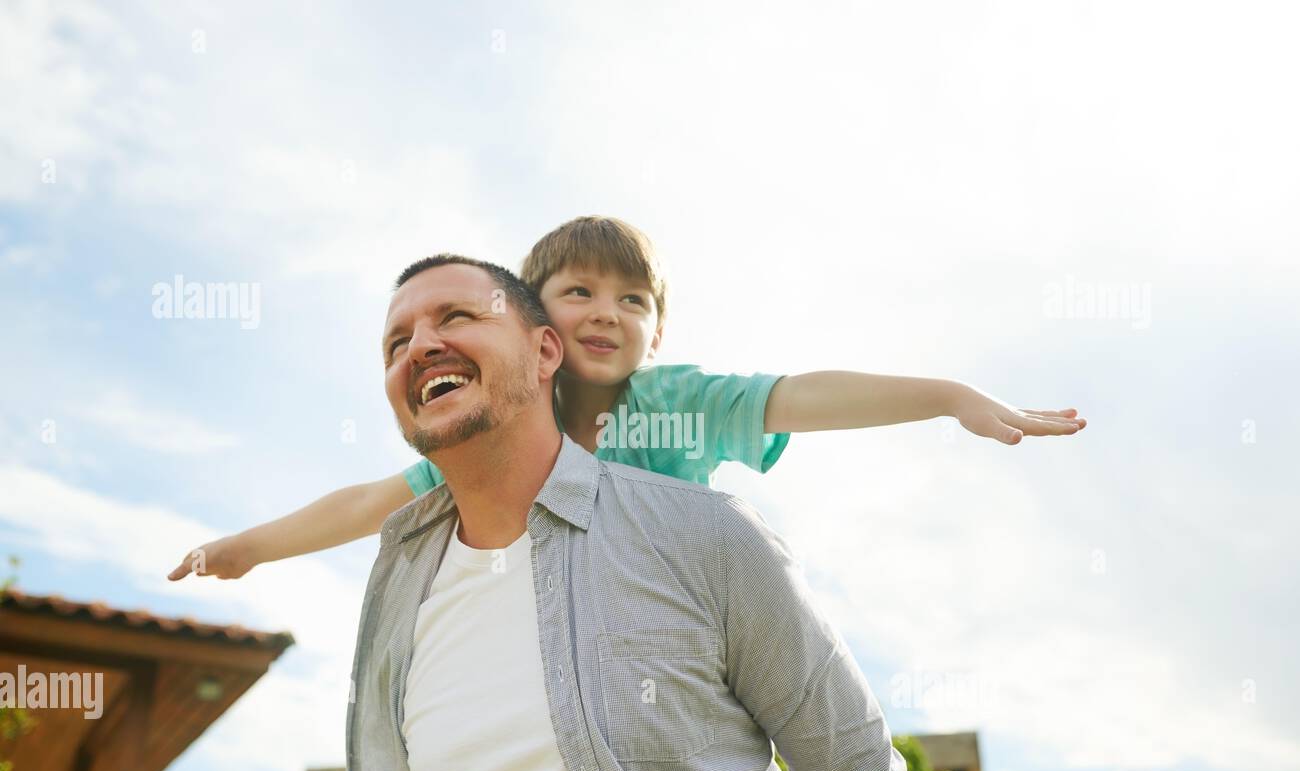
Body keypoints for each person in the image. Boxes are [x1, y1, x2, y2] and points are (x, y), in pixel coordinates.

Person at [344, 252, 933, 771]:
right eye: (396, 344)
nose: (421, 347)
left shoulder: (708, 535)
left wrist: (949, 399)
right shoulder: (396, 603)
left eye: (458, 317)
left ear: (546, 352)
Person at [168, 216, 1084, 582]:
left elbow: (805, 395)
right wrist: (247, 548)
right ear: (535, 326)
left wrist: (949, 396)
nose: (609, 312)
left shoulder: (677, 397)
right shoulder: (508, 427)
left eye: (634, 300)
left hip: (689, 604)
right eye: (580, 292)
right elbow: (373, 501)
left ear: (658, 329)